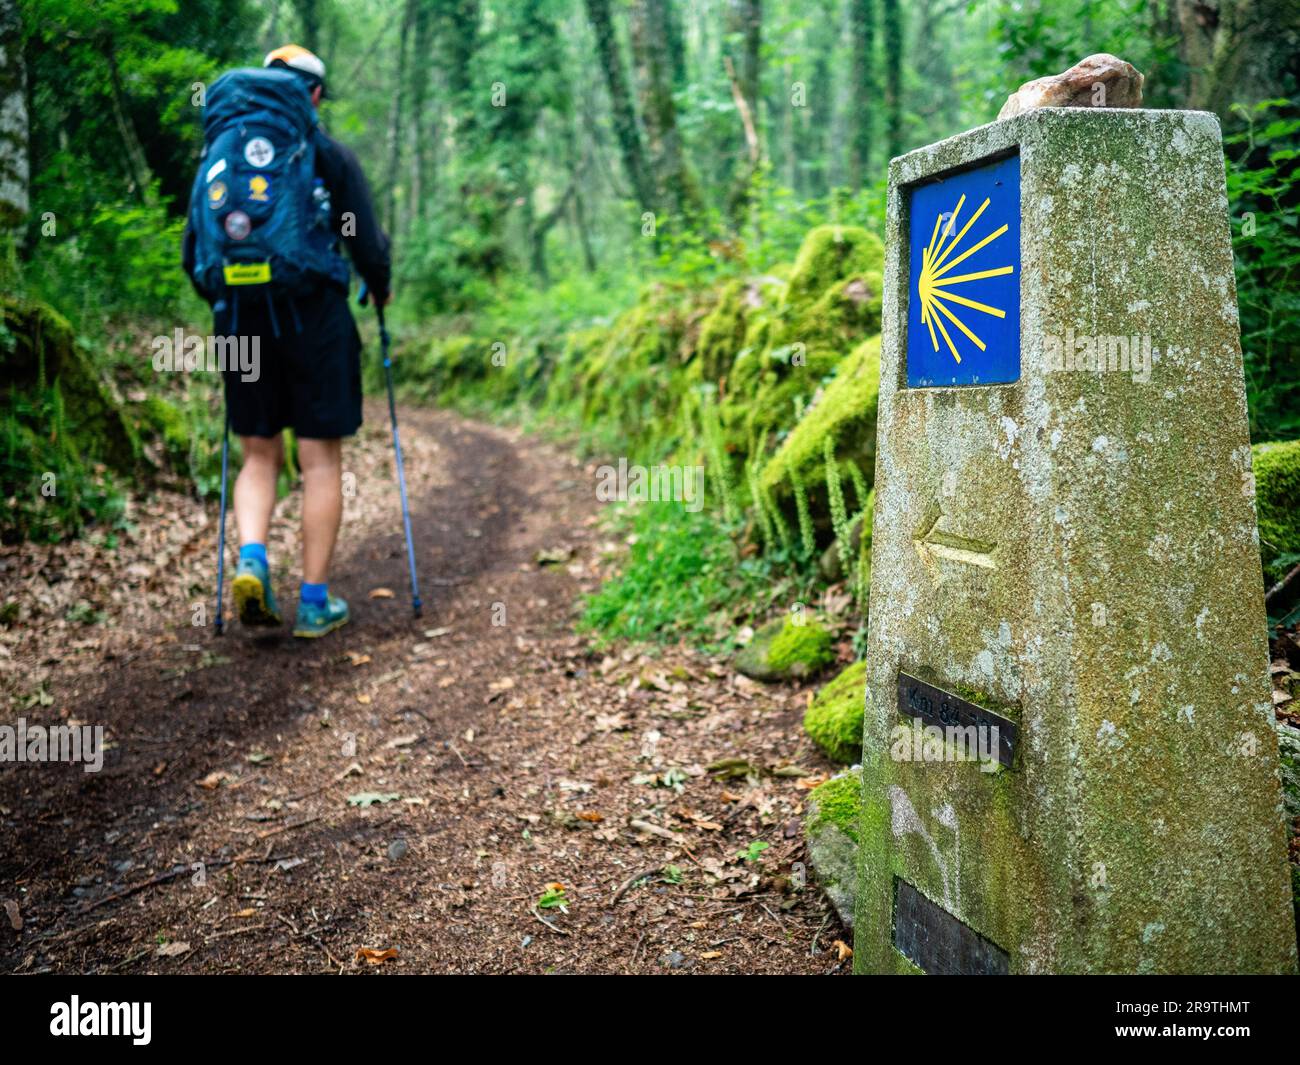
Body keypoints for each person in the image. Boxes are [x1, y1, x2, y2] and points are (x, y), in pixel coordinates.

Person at [182, 45, 391, 638]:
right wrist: (380, 288)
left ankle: (252, 561)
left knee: (258, 453)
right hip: (315, 316)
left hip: (239, 316)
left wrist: (230, 306)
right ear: (315, 97)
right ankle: (315, 602)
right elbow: (363, 237)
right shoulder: (328, 155)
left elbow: (194, 253)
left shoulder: (218, 154)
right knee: (320, 459)